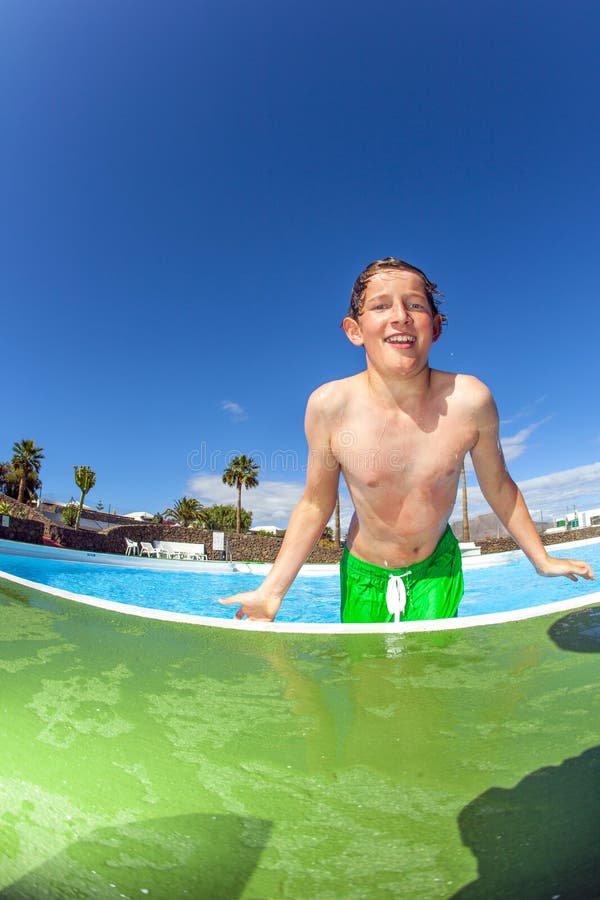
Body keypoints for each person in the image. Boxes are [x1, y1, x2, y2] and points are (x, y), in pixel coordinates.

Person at [220, 257, 594, 622]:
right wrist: (272, 591)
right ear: (354, 330)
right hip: (364, 573)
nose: (400, 316)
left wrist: (541, 559)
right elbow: (316, 504)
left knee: (434, 659)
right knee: (366, 665)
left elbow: (498, 486)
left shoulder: (470, 400)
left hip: (437, 568)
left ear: (436, 327)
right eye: (380, 306)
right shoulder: (329, 406)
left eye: (414, 305)